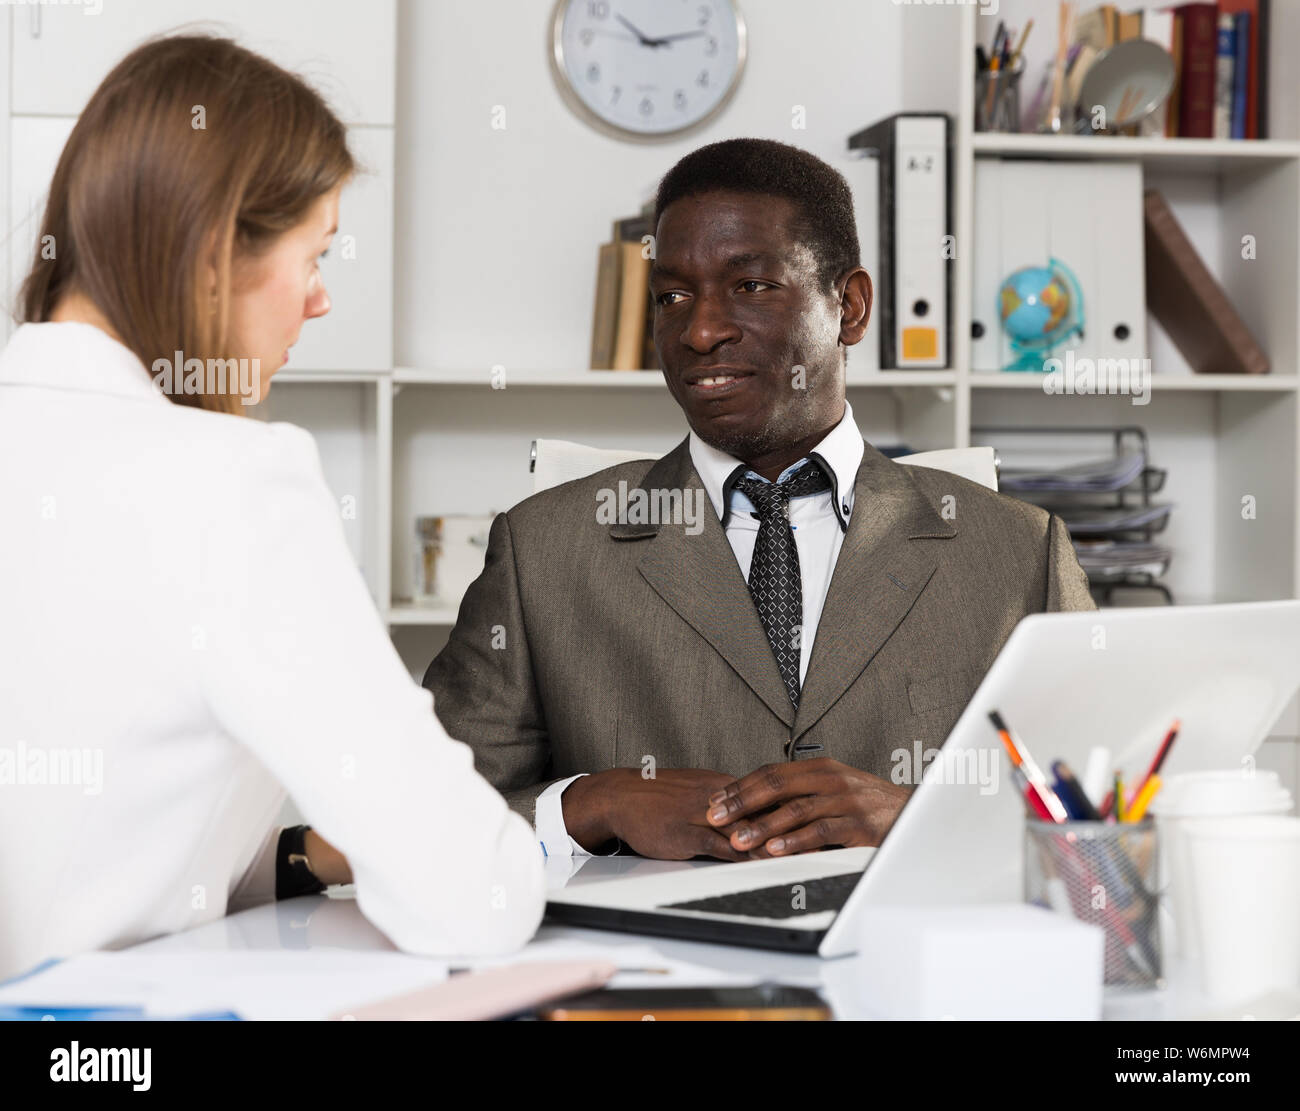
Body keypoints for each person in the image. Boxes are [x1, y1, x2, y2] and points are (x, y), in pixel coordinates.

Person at [0, 35, 542, 981]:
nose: (321, 299)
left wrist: (299, 853)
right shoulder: (229, 481)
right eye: (314, 253)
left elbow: (110, 833)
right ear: (215, 248)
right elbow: (476, 897)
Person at [423, 138, 1096, 864]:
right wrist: (594, 801)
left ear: (851, 307)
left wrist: (919, 816)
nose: (701, 331)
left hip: (913, 968)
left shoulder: (1021, 552)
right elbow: (423, 821)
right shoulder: (542, 552)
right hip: (657, 972)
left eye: (750, 286)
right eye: (672, 297)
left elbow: (1104, 829)